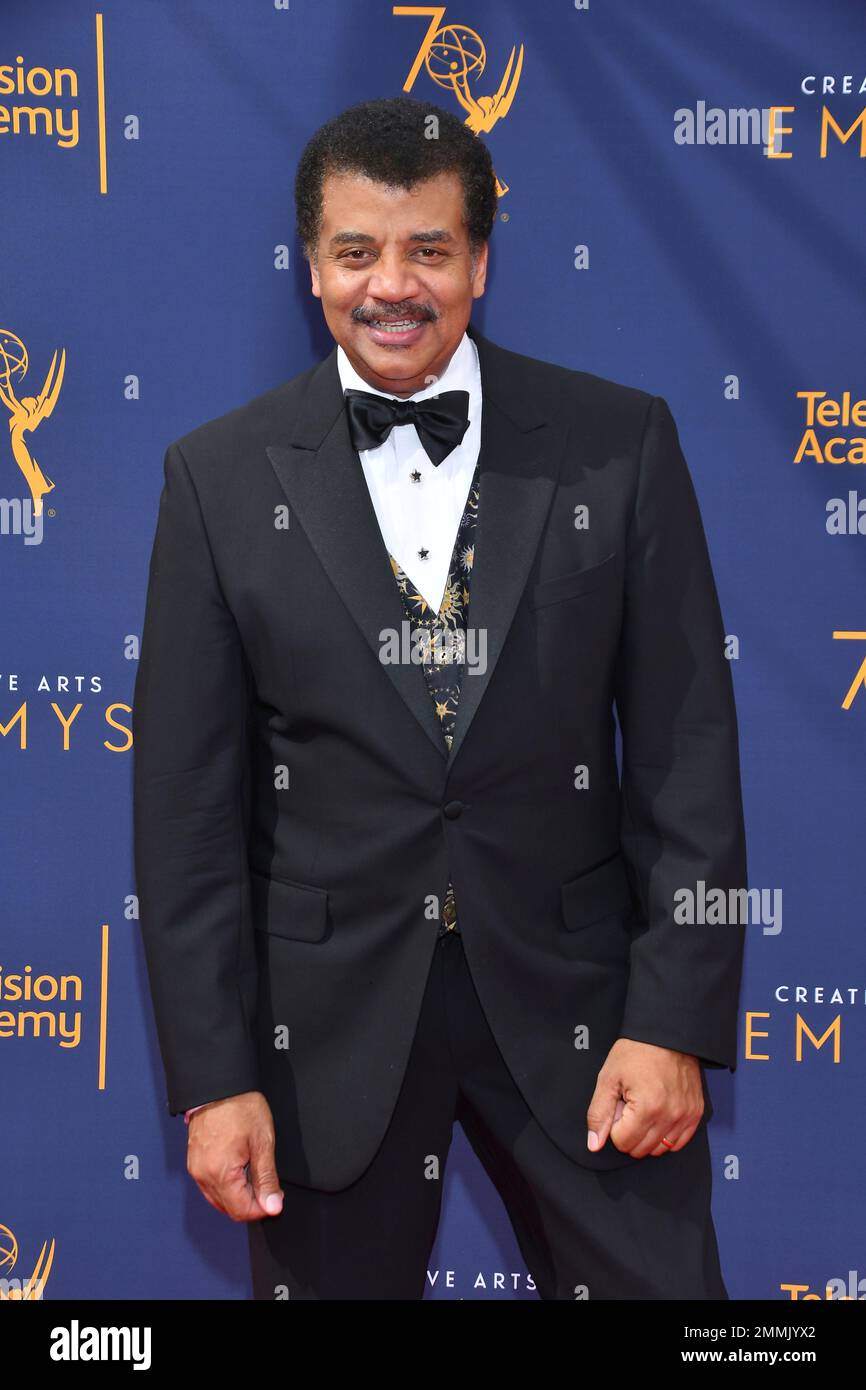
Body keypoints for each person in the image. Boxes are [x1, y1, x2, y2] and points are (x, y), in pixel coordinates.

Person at [132, 94, 748, 1300]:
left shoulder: (614, 444)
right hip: (321, 1038)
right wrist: (216, 1078)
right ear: (311, 265)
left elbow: (685, 748)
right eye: (357, 251)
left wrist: (673, 1018)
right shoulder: (214, 477)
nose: (392, 285)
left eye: (428, 249)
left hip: (584, 1016)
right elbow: (185, 811)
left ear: (480, 261)